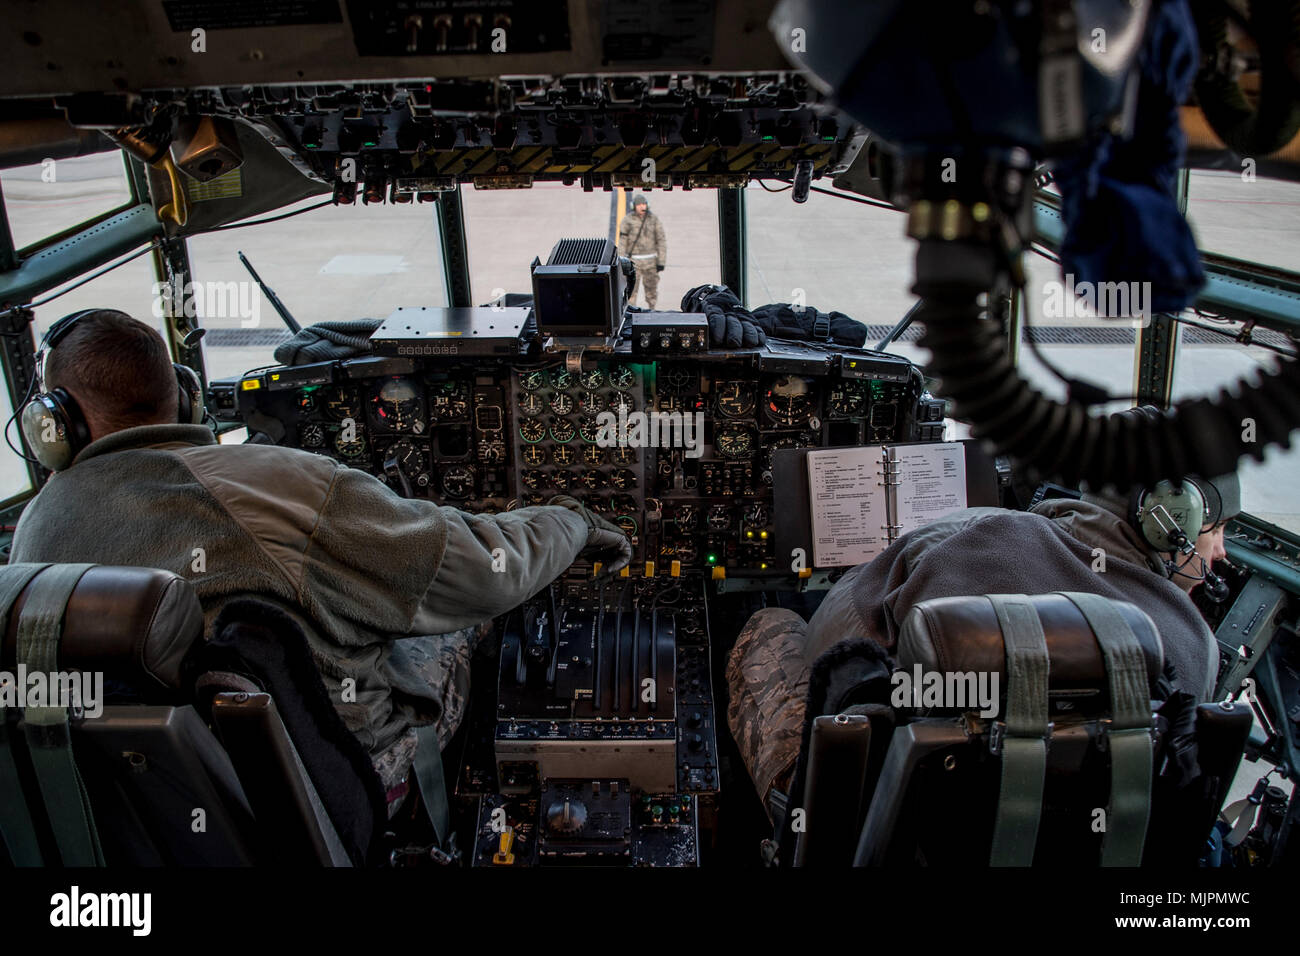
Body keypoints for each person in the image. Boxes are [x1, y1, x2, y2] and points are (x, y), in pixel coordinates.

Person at [9, 309, 632, 800]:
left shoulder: (34, 530)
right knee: (470, 622)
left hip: (147, 804)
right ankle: (443, 803)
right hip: (330, 774)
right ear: (185, 395)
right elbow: (485, 571)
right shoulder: (273, 484)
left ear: (53, 425)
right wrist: (569, 520)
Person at [726, 464, 1241, 816]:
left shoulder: (966, 533)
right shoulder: (1196, 647)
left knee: (772, 620)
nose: (1219, 552)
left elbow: (831, 647)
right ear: (1168, 523)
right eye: (1215, 531)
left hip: (887, 822)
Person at [617, 193, 667, 308]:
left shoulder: (654, 220)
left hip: (651, 262)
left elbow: (661, 241)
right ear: (634, 206)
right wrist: (621, 261)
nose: (642, 207)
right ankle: (630, 312)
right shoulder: (628, 220)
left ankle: (652, 310)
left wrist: (661, 261)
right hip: (634, 262)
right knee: (631, 291)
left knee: (652, 291)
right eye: (639, 204)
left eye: (644, 204)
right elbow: (622, 242)